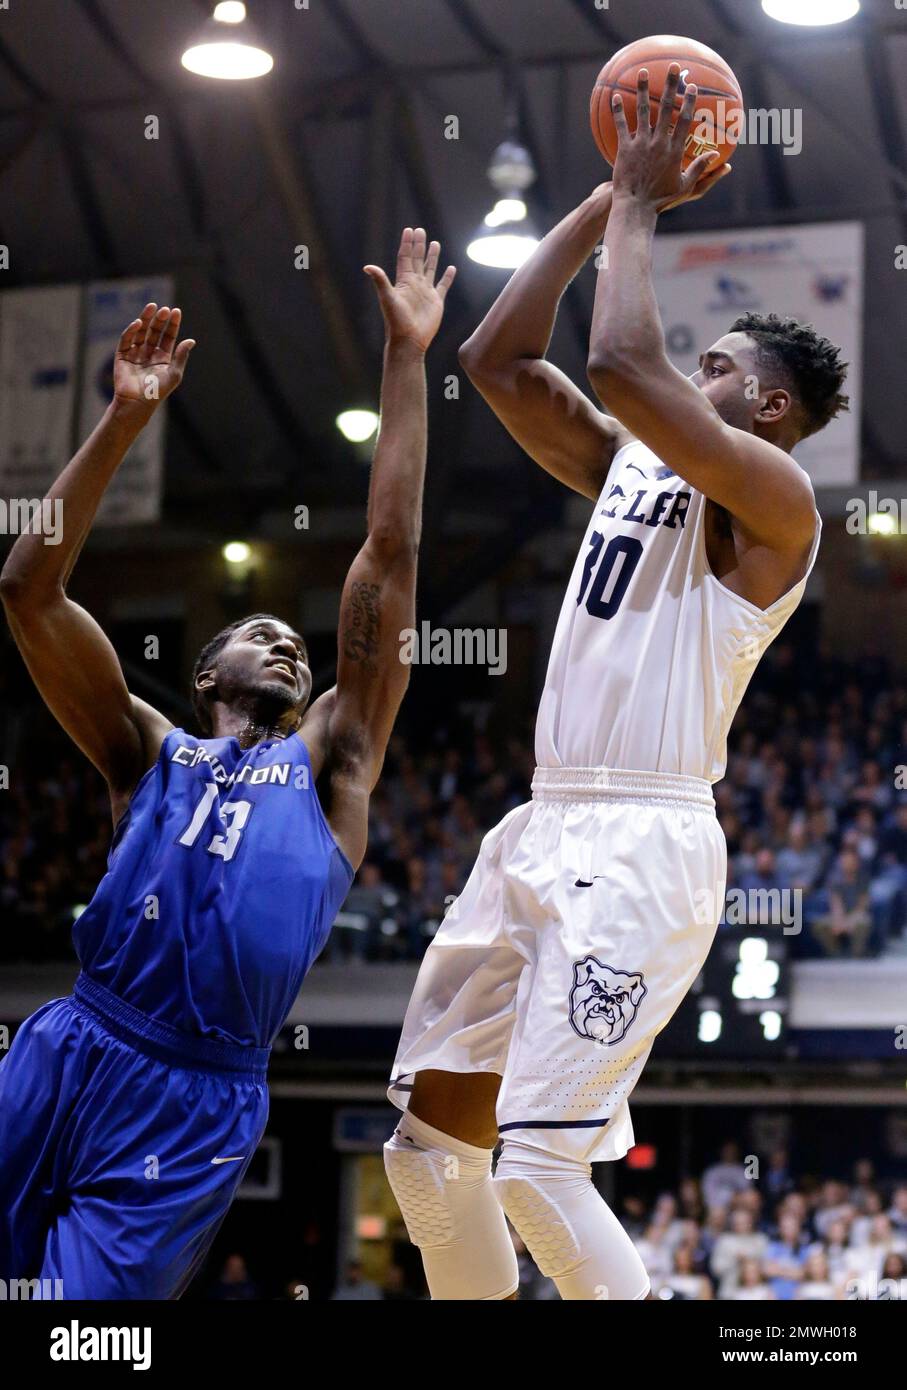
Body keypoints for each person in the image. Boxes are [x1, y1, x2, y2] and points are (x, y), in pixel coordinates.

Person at [384, 64, 847, 1301]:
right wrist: (601, 203)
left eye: (720, 365)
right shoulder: (634, 471)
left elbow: (624, 357)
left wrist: (641, 204)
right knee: (430, 1162)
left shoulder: (776, 504)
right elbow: (495, 358)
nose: (694, 372)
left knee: (538, 1170)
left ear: (768, 404)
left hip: (644, 837)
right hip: (543, 819)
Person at [0, 229, 455, 1299]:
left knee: (85, 1328)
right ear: (205, 671)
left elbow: (387, 551)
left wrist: (405, 359)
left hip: (201, 1094)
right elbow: (29, 591)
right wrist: (125, 417)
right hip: (75, 1037)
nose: (289, 640)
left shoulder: (337, 759)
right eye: (260, 630)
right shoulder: (145, 749)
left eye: (297, 639)